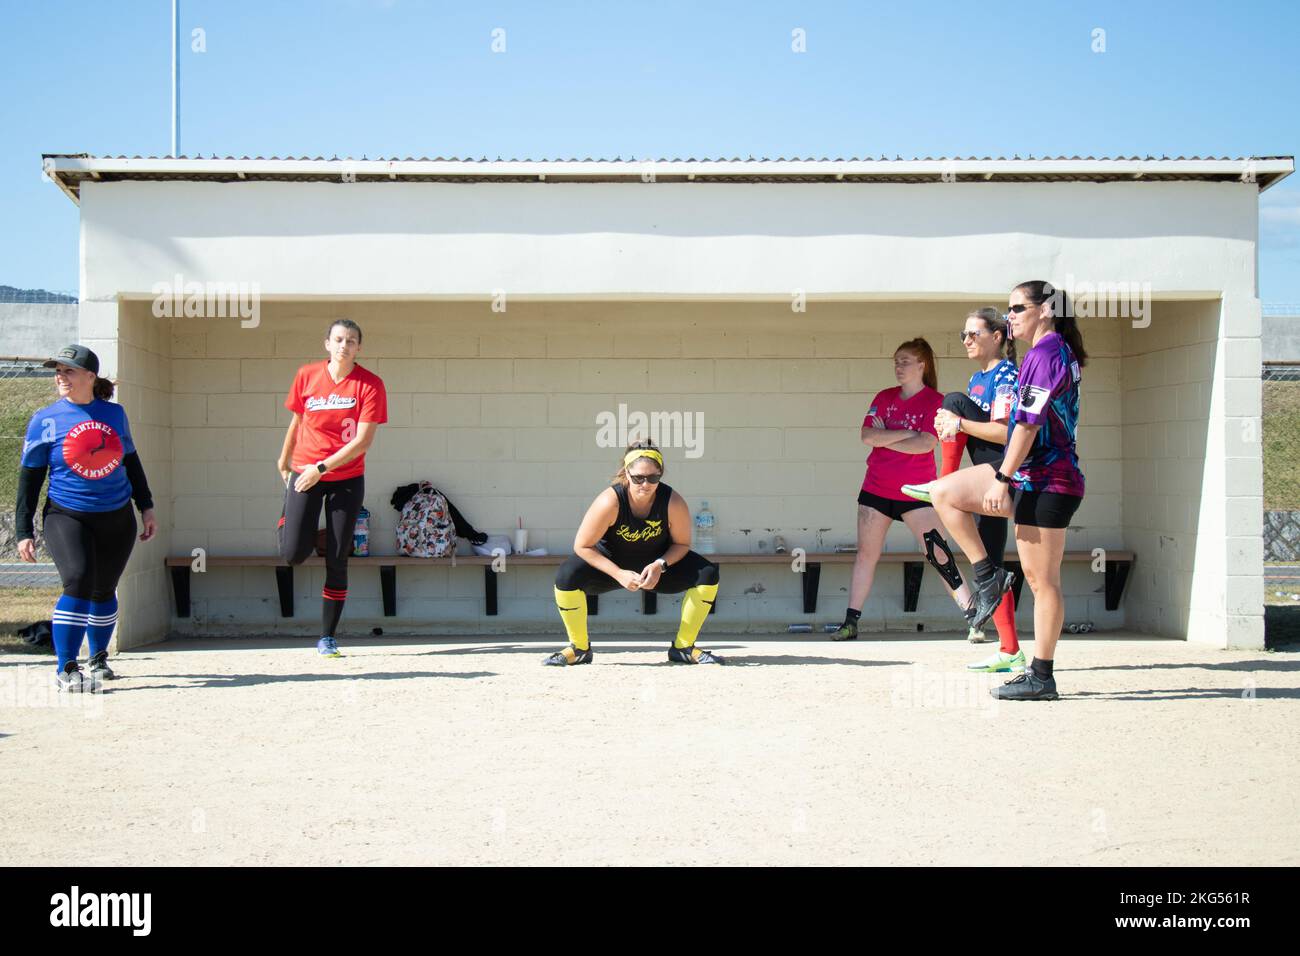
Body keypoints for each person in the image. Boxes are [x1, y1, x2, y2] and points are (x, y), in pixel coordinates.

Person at [929, 281, 1087, 701]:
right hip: (1037, 476)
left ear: (1046, 310)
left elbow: (1027, 426)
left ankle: (1041, 674)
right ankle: (988, 575)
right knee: (944, 494)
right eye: (1009, 309)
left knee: (1041, 581)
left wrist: (1002, 479)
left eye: (1018, 308)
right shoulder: (1053, 353)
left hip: (1047, 479)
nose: (1011, 315)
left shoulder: (1045, 354)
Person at [15, 345, 157, 691]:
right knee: (78, 580)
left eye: (69, 371)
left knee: (104, 588)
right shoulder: (45, 419)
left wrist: (146, 505)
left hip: (117, 514)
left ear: (90, 376)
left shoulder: (114, 414)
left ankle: (98, 659)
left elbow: (131, 462)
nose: (61, 377)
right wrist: (23, 530)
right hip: (67, 514)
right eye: (58, 371)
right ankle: (66, 667)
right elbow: (29, 479)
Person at [901, 308, 1025, 671]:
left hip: (1005, 470)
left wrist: (959, 422)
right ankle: (1010, 650)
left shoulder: (1006, 375)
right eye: (963, 335)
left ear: (998, 337)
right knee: (992, 567)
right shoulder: (977, 379)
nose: (966, 340)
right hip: (986, 475)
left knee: (952, 402)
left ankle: (944, 484)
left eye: (974, 334)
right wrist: (957, 426)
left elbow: (1006, 433)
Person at [830, 338, 975, 641]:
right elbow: (868, 436)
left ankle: (974, 617)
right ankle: (850, 622)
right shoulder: (884, 397)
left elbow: (926, 443)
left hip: (916, 491)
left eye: (905, 361)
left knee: (937, 552)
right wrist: (905, 433)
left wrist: (889, 435)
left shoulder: (936, 400)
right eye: (896, 361)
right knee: (866, 555)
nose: (899, 367)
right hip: (876, 488)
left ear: (922, 365)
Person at [545, 440, 723, 665]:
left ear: (661, 474)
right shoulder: (610, 501)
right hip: (612, 565)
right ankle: (579, 648)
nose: (645, 484)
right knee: (566, 575)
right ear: (626, 474)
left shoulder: (672, 501)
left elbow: (682, 545)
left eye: (653, 478)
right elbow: (582, 546)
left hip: (655, 567)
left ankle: (683, 647)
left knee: (707, 573)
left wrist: (660, 565)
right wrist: (618, 573)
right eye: (638, 477)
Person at [277, 319, 388, 658]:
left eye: (351, 341)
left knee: (338, 558)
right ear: (327, 343)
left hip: (345, 478)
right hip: (304, 471)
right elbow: (298, 421)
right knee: (292, 554)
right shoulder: (307, 375)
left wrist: (321, 468)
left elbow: (362, 441)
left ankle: (327, 637)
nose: (344, 345)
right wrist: (284, 461)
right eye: (338, 339)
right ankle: (288, 517)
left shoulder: (369, 384)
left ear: (359, 347)